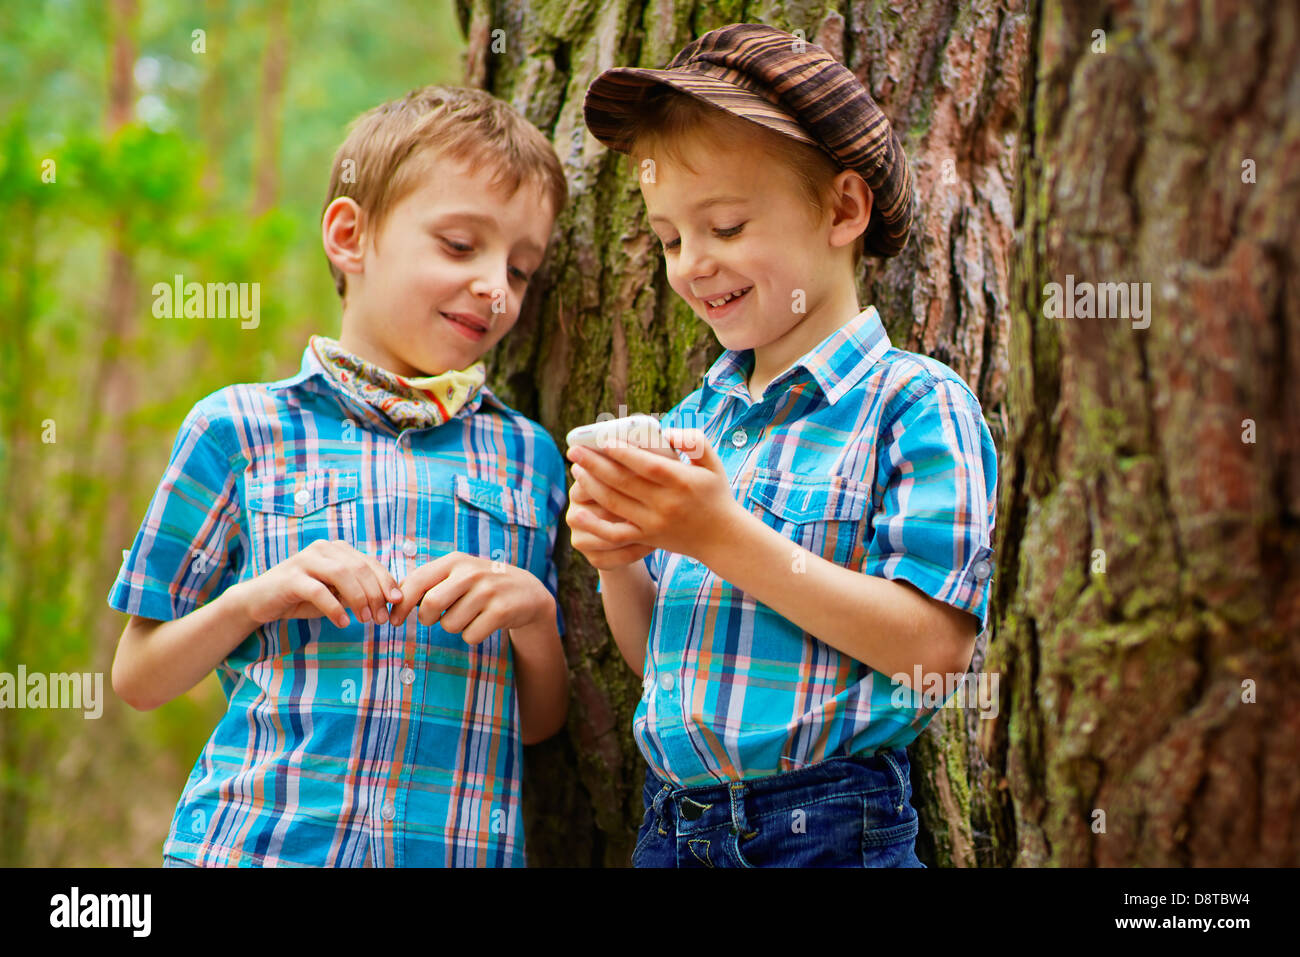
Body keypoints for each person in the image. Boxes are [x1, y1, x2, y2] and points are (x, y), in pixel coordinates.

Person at [108, 85, 570, 867]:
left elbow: (537, 723)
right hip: (256, 847)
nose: (497, 287)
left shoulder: (529, 456)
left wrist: (531, 615)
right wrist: (259, 596)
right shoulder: (237, 430)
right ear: (350, 237)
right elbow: (139, 676)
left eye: (521, 270)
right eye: (461, 245)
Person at [571, 23, 998, 867]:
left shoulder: (913, 406)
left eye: (724, 226)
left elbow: (935, 652)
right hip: (674, 823)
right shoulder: (702, 419)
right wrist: (621, 558)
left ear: (843, 208)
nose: (692, 264)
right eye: (669, 239)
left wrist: (715, 534)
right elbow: (660, 653)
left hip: (829, 824)